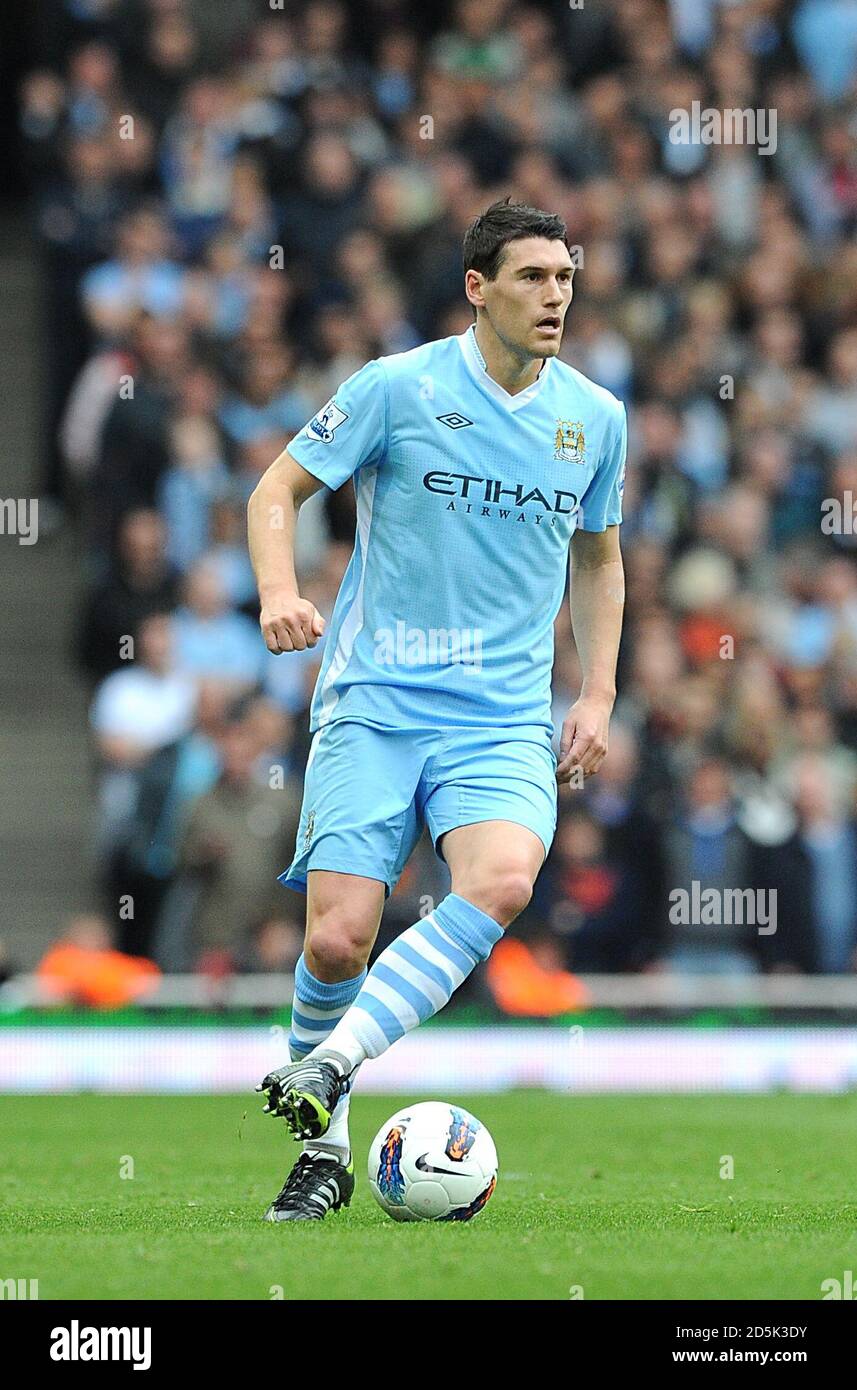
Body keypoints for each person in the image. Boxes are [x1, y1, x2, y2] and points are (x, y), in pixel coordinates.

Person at [246, 198, 627, 1221]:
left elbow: (598, 559)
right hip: (375, 701)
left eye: (564, 277)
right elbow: (275, 490)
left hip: (500, 718)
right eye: (533, 277)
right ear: (477, 286)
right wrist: (281, 591)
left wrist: (594, 691)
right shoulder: (396, 387)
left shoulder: (593, 417)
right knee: (335, 941)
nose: (555, 294)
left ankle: (326, 1065)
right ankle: (321, 1149)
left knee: (502, 878)